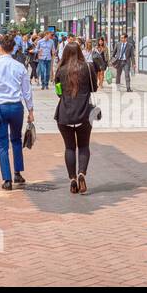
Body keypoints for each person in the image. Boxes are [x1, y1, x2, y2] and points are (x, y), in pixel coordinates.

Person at [0, 34, 34, 190]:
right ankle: (18, 172)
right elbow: (27, 91)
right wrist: (30, 110)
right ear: (13, 48)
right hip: (16, 107)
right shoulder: (20, 67)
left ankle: (7, 179)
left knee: (2, 143)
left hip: (0, 107)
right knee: (16, 140)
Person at [54, 40, 97, 194]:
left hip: (65, 114)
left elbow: (58, 92)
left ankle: (72, 179)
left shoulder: (60, 70)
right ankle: (81, 174)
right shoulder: (87, 67)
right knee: (84, 146)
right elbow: (94, 88)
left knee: (69, 147)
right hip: (84, 114)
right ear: (80, 52)